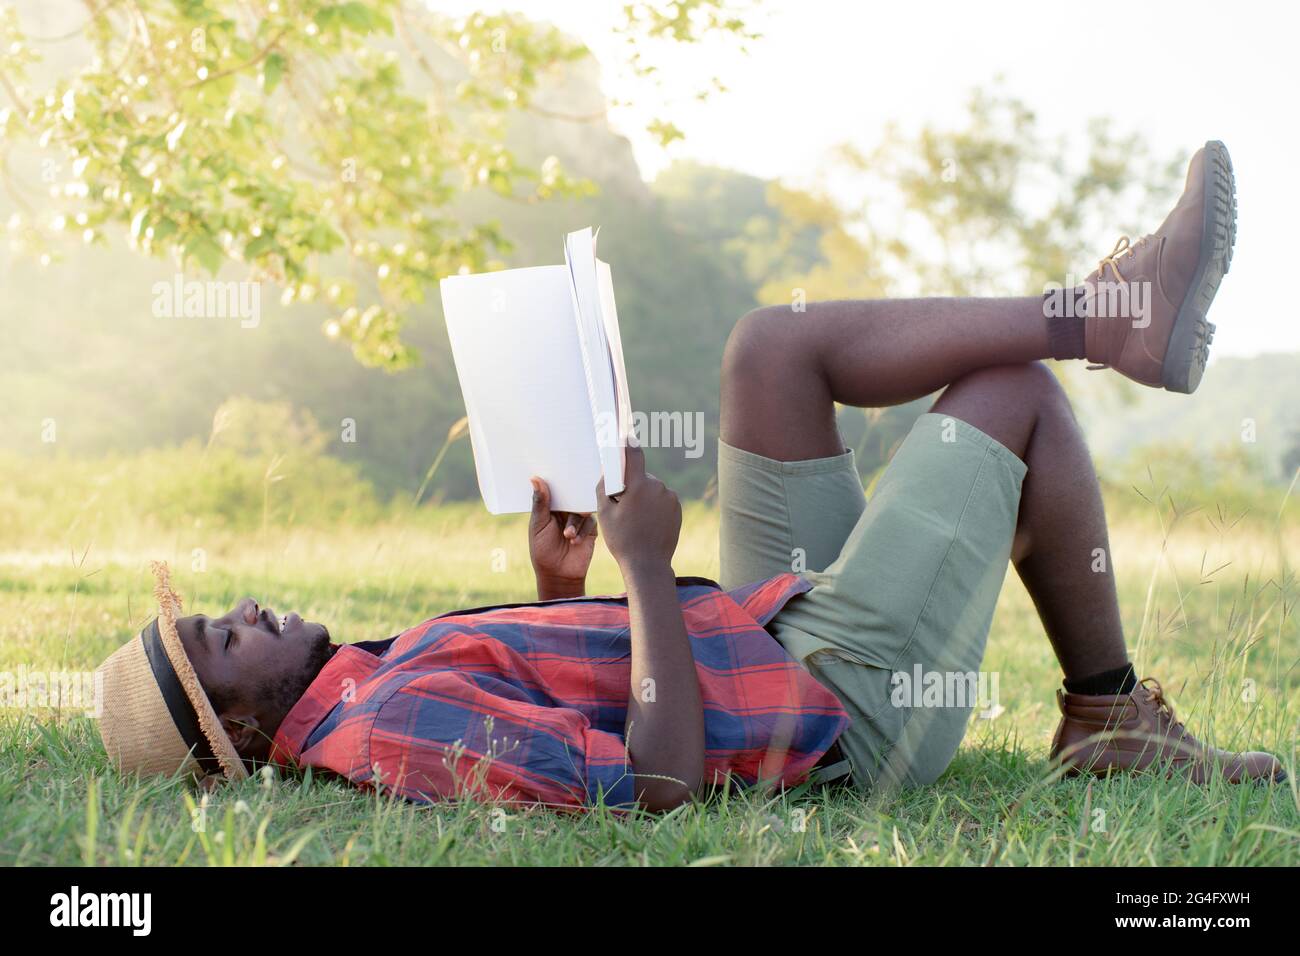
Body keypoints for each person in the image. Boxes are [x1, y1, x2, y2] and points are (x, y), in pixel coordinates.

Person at [94, 141, 1284, 812]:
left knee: (769, 347)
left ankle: (1105, 316)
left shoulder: (362, 680)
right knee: (1014, 399)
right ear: (240, 723)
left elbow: (567, 700)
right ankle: (1109, 706)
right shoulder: (384, 726)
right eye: (220, 635)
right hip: (837, 716)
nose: (243, 607)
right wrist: (647, 567)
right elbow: (655, 778)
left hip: (764, 633)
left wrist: (565, 593)